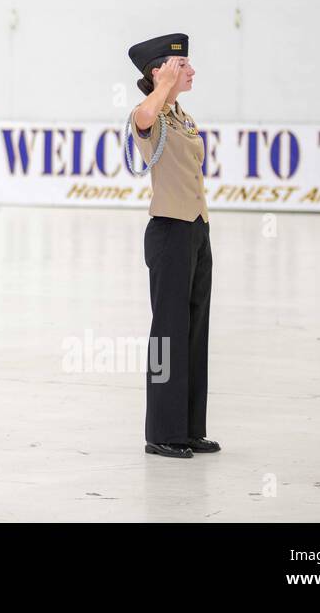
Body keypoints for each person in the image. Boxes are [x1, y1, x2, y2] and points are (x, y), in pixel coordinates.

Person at [128, 33, 219, 460]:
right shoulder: (151, 115)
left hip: (195, 230)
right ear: (160, 71)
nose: (191, 71)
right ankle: (161, 432)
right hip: (168, 232)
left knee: (194, 330)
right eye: (183, 66)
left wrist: (169, 88)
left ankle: (187, 427)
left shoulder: (181, 116)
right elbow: (145, 118)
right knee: (167, 333)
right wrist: (161, 85)